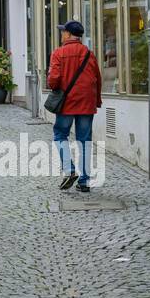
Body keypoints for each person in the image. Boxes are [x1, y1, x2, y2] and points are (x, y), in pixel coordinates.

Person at [48, 20, 103, 193]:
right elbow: (97, 78)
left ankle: (69, 170)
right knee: (84, 140)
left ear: (69, 34)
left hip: (67, 104)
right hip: (86, 103)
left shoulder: (59, 53)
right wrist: (97, 100)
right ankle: (84, 181)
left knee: (60, 135)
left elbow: (53, 80)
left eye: (63, 31)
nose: (61, 34)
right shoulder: (89, 53)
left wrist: (54, 85)